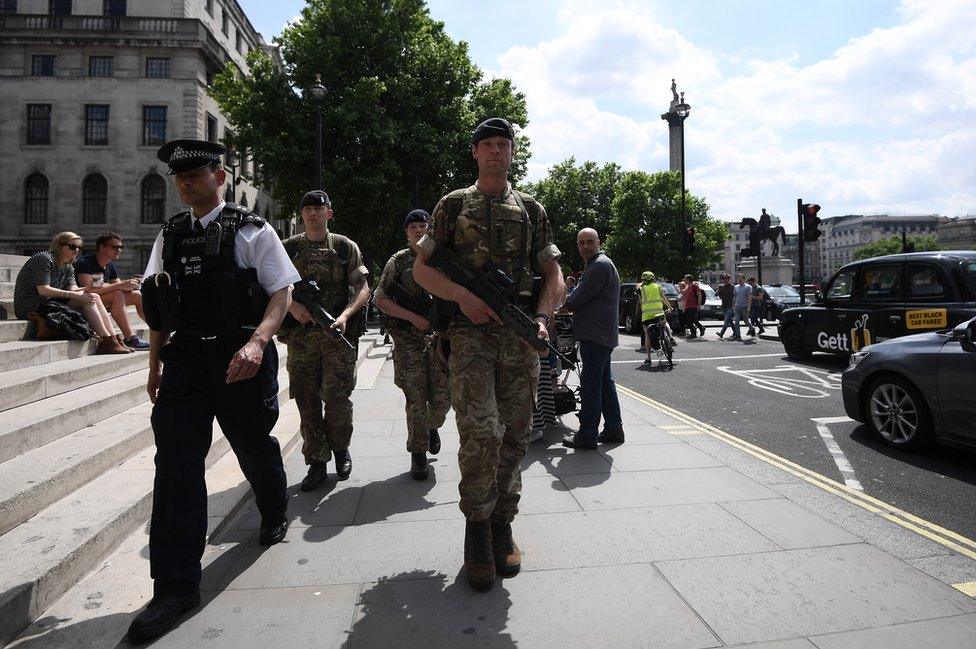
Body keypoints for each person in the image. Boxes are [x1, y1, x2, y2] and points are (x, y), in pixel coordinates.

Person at [127, 139, 299, 642]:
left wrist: (258, 341)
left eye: (195, 174)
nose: (185, 183)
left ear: (219, 177)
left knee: (252, 444)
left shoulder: (253, 230)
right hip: (186, 359)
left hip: (240, 353)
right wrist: (155, 362)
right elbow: (158, 303)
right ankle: (175, 587)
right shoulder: (171, 234)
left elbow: (280, 292)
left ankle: (273, 508)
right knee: (176, 465)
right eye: (178, 177)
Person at [414, 117, 563, 592]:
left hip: (518, 338)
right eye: (488, 145)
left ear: (512, 153)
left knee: (517, 433)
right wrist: (461, 296)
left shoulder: (533, 209)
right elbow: (422, 270)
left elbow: (554, 275)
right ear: (475, 153)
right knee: (480, 430)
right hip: (470, 335)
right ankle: (476, 529)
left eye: (505, 144)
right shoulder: (453, 205)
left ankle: (502, 523)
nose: (497, 151)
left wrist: (541, 318)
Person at [279, 190, 371, 490]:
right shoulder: (288, 249)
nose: (313, 213)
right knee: (307, 403)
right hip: (301, 341)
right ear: (301, 214)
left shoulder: (345, 247)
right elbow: (270, 284)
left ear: (329, 213)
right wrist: (294, 307)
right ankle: (316, 462)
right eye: (307, 208)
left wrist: (344, 316)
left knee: (337, 402)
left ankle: (341, 449)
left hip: (336, 338)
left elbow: (362, 287)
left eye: (319, 208)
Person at [373, 209, 451, 480]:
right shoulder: (399, 261)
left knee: (443, 397)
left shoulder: (442, 259)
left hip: (439, 340)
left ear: (430, 228)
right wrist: (412, 317)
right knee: (415, 397)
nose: (418, 230)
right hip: (408, 341)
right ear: (406, 232)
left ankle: (432, 427)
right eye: (413, 227)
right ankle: (418, 454)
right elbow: (380, 299)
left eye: (422, 225)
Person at [14, 231, 132, 354]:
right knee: (87, 300)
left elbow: (73, 289)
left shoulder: (68, 266)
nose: (76, 250)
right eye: (72, 246)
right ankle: (107, 341)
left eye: (79, 248)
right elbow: (44, 290)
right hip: (29, 306)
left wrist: (89, 287)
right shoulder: (44, 259)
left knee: (94, 296)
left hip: (50, 304)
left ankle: (112, 338)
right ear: (59, 245)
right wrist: (75, 295)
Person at [561, 227, 624, 449]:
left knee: (591, 385)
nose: (585, 246)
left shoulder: (598, 265)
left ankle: (587, 434)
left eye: (589, 242)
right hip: (601, 334)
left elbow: (576, 298)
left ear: (599, 242)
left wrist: (556, 309)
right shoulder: (600, 263)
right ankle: (614, 429)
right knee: (605, 383)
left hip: (595, 336)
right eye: (581, 243)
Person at [74, 231, 150, 350]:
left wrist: (132, 284)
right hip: (84, 303)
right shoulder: (85, 262)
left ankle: (157, 330)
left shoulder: (110, 265)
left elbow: (119, 286)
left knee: (137, 295)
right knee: (117, 294)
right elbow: (88, 290)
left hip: (101, 300)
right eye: (115, 247)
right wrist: (121, 285)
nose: (118, 250)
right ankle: (130, 338)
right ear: (101, 247)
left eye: (120, 247)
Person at [638, 270, 672, 364]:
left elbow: (641, 304)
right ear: (653, 278)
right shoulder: (658, 287)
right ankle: (670, 337)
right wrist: (669, 307)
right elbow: (663, 298)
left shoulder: (641, 289)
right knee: (665, 323)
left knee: (647, 335)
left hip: (647, 315)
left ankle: (649, 358)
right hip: (658, 313)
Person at [682, 274, 706, 338]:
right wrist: (684, 306)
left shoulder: (694, 286)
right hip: (688, 306)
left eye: (685, 279)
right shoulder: (687, 286)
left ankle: (700, 328)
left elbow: (699, 295)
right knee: (688, 321)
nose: (684, 280)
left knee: (694, 320)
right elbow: (686, 297)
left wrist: (699, 304)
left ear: (689, 279)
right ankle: (694, 333)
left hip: (693, 306)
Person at [732, 273, 754, 339]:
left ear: (744, 279)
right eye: (738, 278)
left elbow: (749, 297)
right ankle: (738, 335)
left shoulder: (748, 287)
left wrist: (749, 307)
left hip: (745, 307)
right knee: (736, 321)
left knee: (746, 321)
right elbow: (735, 297)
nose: (739, 280)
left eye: (741, 278)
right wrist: (733, 306)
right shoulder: (736, 287)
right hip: (737, 307)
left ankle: (752, 328)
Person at [715, 273, 735, 339]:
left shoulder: (733, 286)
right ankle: (735, 332)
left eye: (727, 278)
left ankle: (721, 333)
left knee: (726, 320)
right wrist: (718, 291)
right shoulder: (720, 286)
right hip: (724, 306)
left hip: (730, 306)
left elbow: (735, 296)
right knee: (730, 320)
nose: (725, 280)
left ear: (729, 279)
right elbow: (716, 294)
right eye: (724, 279)